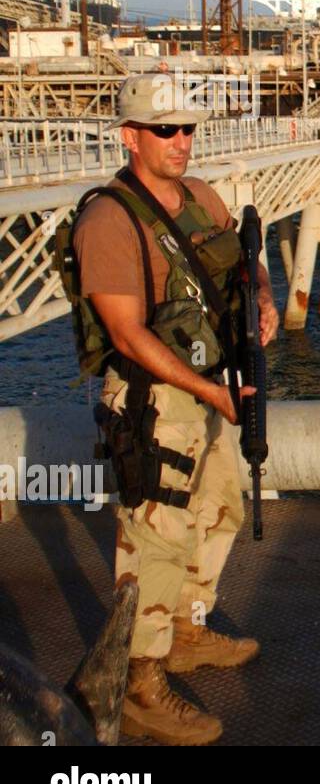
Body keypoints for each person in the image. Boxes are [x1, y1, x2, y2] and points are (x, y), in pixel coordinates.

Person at [72, 73, 279, 745]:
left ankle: (186, 627)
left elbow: (246, 262)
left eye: (188, 128)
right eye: (166, 130)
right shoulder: (108, 218)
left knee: (220, 506)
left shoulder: (201, 197)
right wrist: (208, 391)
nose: (181, 141)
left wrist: (266, 299)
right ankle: (139, 680)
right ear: (131, 137)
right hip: (154, 397)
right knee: (154, 538)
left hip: (211, 383)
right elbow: (129, 334)